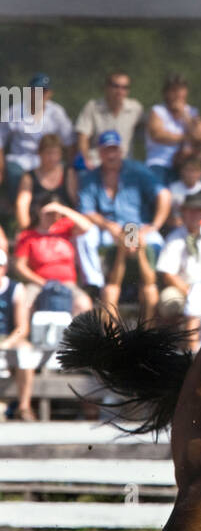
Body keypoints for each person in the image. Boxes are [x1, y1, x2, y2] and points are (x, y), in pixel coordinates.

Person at [77, 130, 171, 318]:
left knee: (157, 243)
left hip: (138, 227)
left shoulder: (138, 171)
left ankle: (156, 287)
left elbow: (164, 195)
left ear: (121, 151)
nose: (111, 155)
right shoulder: (90, 178)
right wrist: (107, 225)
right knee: (85, 236)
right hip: (108, 229)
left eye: (114, 150)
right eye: (106, 150)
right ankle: (94, 285)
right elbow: (86, 210)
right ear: (100, 153)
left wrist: (154, 226)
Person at [0, 74, 76, 205]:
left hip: (50, 159)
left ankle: (62, 207)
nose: (40, 94)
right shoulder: (13, 111)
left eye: (44, 91)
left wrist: (70, 165)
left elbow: (70, 141)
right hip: (20, 160)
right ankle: (17, 211)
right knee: (14, 172)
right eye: (36, 90)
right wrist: (1, 168)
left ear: (50, 93)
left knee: (66, 173)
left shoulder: (57, 112)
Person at [12, 195, 94, 315]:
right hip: (38, 284)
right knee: (25, 304)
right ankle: (27, 332)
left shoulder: (65, 228)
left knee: (83, 303)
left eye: (57, 213)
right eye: (50, 213)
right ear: (39, 211)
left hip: (67, 284)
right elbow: (20, 266)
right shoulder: (27, 236)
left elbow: (87, 226)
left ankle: (74, 334)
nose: (54, 217)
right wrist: (41, 282)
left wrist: (63, 209)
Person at [145, 75, 201, 186]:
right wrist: (187, 137)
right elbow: (157, 134)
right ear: (166, 92)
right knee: (156, 187)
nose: (178, 94)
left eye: (181, 89)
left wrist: (185, 115)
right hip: (160, 162)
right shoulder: (157, 111)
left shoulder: (192, 112)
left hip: (188, 163)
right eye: (174, 90)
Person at [76, 71, 145, 167]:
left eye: (124, 87)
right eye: (116, 86)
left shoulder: (136, 109)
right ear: (107, 88)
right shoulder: (92, 107)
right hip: (97, 163)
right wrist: (86, 160)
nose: (120, 91)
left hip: (125, 163)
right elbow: (83, 137)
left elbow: (150, 131)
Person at [0, 245, 37, 421]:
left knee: (25, 351)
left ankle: (24, 407)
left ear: (5, 268)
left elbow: (22, 327)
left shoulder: (16, 288)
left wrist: (7, 343)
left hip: (10, 337)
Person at [15, 132, 78, 230]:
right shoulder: (29, 177)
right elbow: (22, 205)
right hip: (38, 227)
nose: (52, 158)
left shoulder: (68, 173)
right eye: (49, 153)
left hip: (65, 226)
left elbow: (75, 202)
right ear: (40, 153)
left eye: (56, 153)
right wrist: (26, 231)